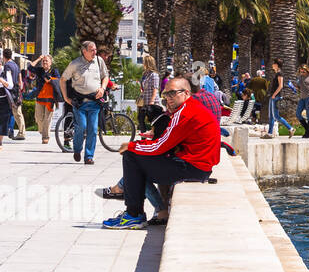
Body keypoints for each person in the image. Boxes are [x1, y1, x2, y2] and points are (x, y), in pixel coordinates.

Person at [102, 77, 221, 229]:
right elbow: (168, 140)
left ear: (186, 93)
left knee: (131, 157)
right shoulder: (191, 108)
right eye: (166, 94)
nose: (168, 98)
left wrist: (132, 146)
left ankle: (133, 214)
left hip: (192, 168)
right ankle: (135, 213)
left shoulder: (184, 112)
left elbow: (160, 146)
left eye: (172, 94)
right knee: (138, 167)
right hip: (199, 166)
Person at [60, 41, 112, 163]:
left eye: (95, 49)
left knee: (93, 129)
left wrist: (102, 88)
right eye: (92, 50)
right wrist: (66, 98)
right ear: (84, 51)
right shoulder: (75, 64)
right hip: (80, 102)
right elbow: (62, 79)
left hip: (95, 102)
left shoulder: (99, 61)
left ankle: (89, 156)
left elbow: (105, 76)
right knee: (81, 127)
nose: (95, 52)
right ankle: (77, 149)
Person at [24, 54, 64, 145]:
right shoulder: (39, 70)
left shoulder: (54, 71)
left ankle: (45, 137)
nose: (45, 62)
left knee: (47, 118)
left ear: (50, 62)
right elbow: (30, 67)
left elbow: (59, 81)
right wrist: (39, 58)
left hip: (50, 98)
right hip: (40, 97)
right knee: (38, 117)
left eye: (46, 61)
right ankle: (43, 131)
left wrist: (50, 81)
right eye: (44, 61)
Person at [262, 60, 294, 138]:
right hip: (273, 96)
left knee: (276, 116)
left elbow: (280, 86)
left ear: (277, 65)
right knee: (271, 116)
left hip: (276, 97)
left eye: (273, 64)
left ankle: (291, 128)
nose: (272, 65)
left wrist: (274, 95)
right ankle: (270, 133)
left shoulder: (279, 74)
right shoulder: (276, 73)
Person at [0, 48, 21, 146]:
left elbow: (9, 84)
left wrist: (1, 80)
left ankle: (6, 134)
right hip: (14, 94)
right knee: (9, 116)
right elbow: (18, 78)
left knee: (6, 116)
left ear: (3, 56)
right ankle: (8, 133)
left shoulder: (7, 66)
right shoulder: (15, 65)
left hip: (6, 94)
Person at [137, 54, 162, 132]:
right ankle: (143, 137)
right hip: (145, 101)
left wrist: (152, 101)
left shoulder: (154, 75)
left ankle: (153, 137)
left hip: (152, 102)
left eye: (144, 62)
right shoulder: (145, 74)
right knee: (140, 118)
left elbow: (155, 89)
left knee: (152, 121)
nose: (143, 64)